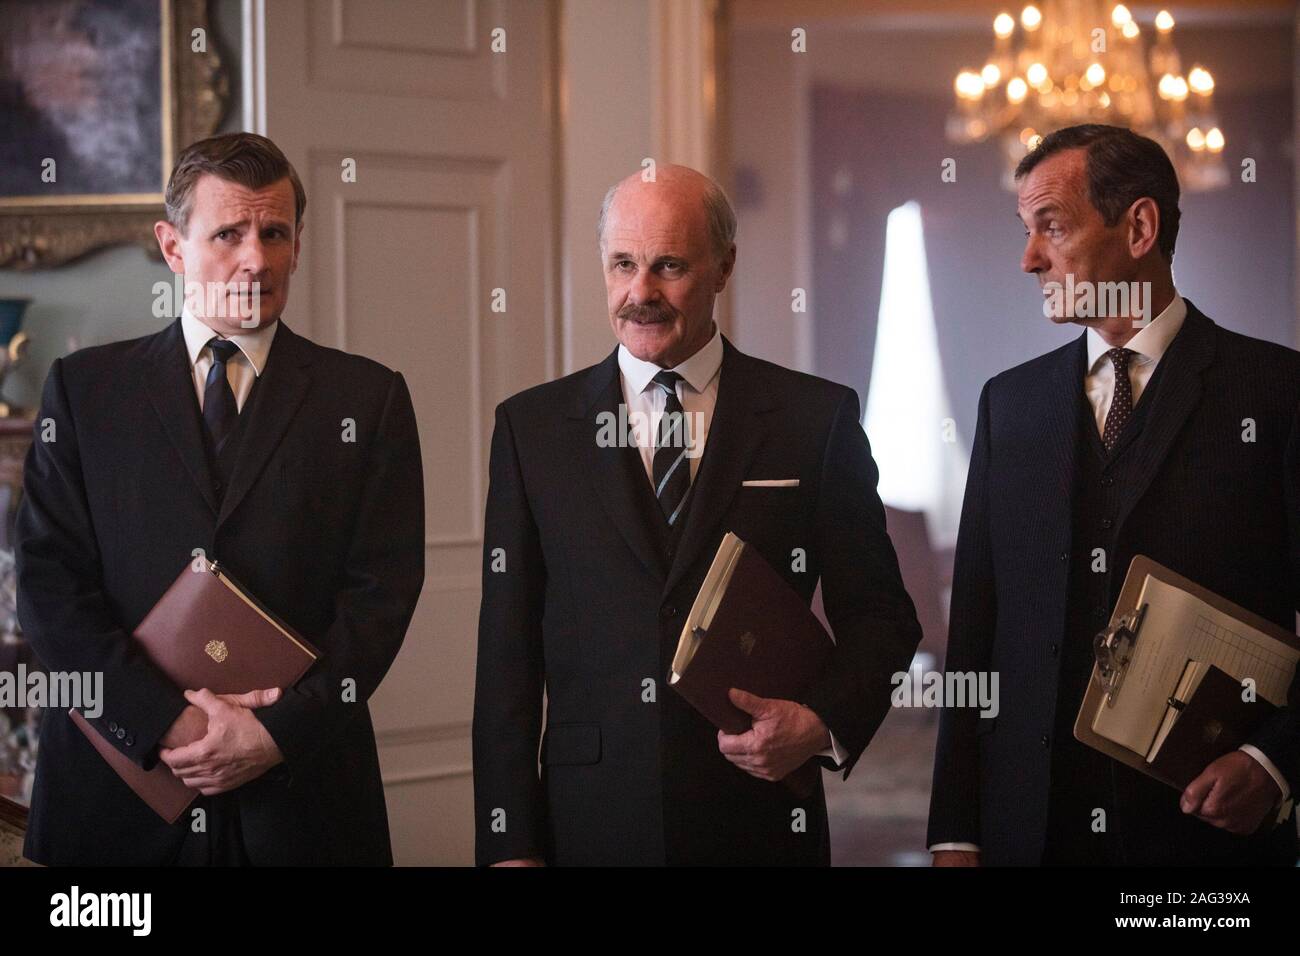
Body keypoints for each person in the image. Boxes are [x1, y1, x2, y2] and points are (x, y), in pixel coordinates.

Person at [473, 164, 921, 865]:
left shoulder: (815, 421)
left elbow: (883, 619)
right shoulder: (532, 430)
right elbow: (505, 664)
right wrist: (508, 846)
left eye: (669, 266)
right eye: (623, 264)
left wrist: (817, 723)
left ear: (724, 266)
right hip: (589, 823)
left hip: (758, 819)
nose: (640, 292)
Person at [16, 132, 425, 865]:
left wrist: (274, 735)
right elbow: (50, 587)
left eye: (274, 234)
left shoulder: (369, 397)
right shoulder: (84, 392)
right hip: (120, 792)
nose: (256, 259)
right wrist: (164, 723)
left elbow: (382, 597)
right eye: (229, 233)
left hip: (303, 798)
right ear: (172, 247)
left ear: (298, 244)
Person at [928, 124, 1300, 866]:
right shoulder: (1011, 405)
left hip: (1200, 841)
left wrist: (1274, 763)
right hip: (1025, 834)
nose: (1028, 258)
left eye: (1052, 227)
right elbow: (975, 627)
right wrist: (956, 832)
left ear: (1139, 227)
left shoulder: (1278, 393)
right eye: (1025, 230)